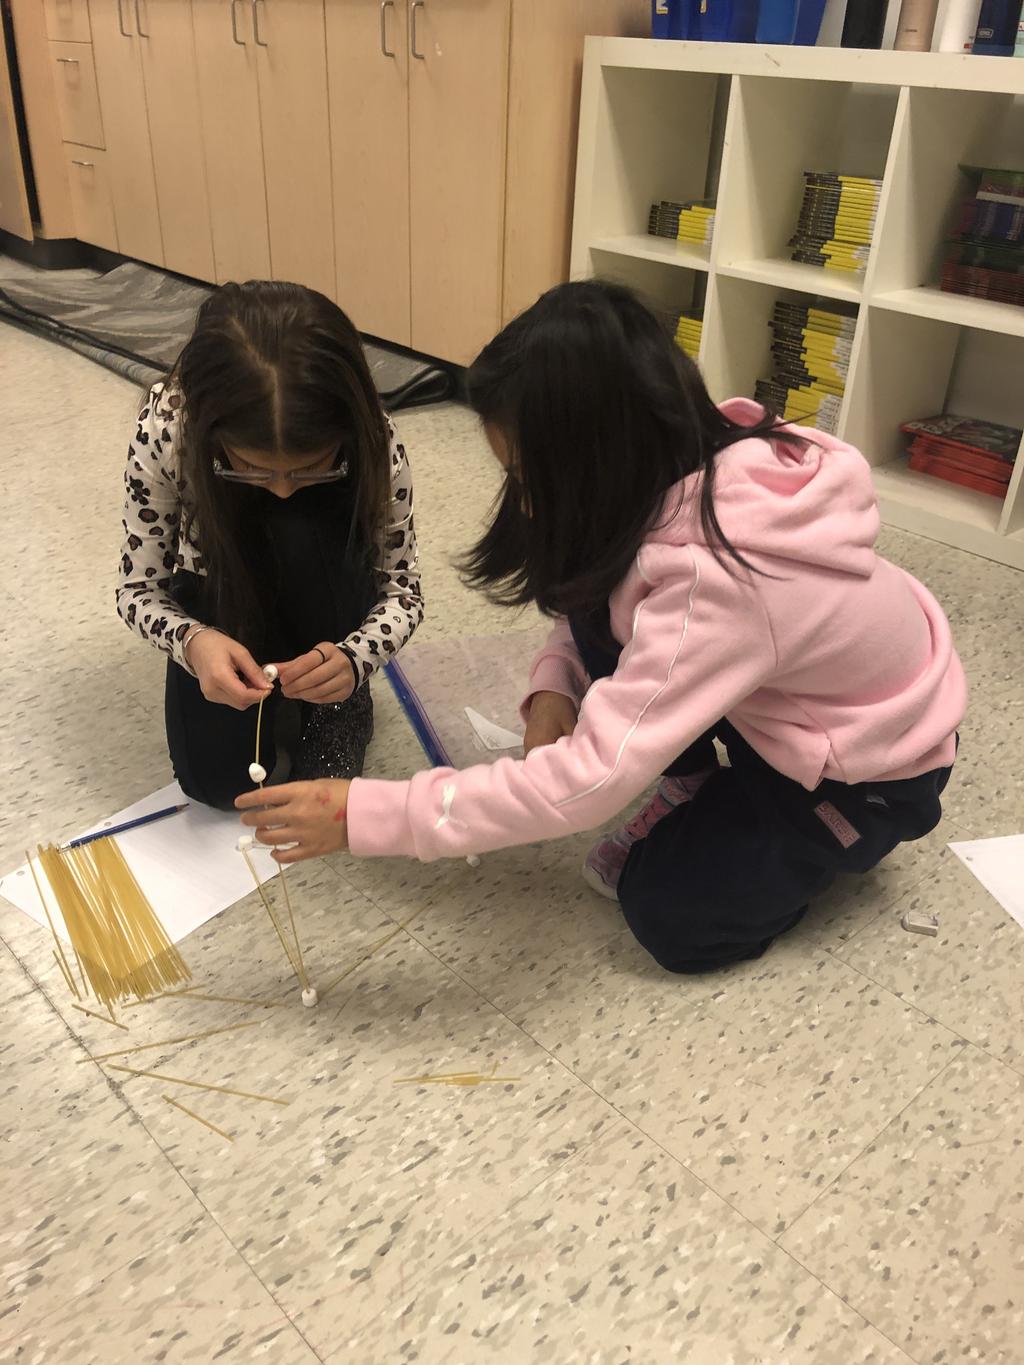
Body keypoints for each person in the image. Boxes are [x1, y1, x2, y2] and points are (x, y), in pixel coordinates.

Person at [237, 281, 966, 974]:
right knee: (593, 598)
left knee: (668, 916)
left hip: (866, 772)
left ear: (595, 465)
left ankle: (820, 838)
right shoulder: (685, 464)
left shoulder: (719, 583)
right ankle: (696, 785)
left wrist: (369, 813)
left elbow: (586, 783)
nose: (519, 505)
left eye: (525, 480)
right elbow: (590, 610)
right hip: (783, 696)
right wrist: (553, 686)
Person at [117, 280, 423, 810]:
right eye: (254, 468)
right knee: (218, 787)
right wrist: (193, 642)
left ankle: (338, 705)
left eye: (308, 468)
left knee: (298, 528)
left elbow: (405, 590)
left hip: (327, 579)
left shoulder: (373, 439)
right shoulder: (168, 430)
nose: (282, 488)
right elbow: (137, 588)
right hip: (223, 586)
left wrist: (355, 659)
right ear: (211, 430)